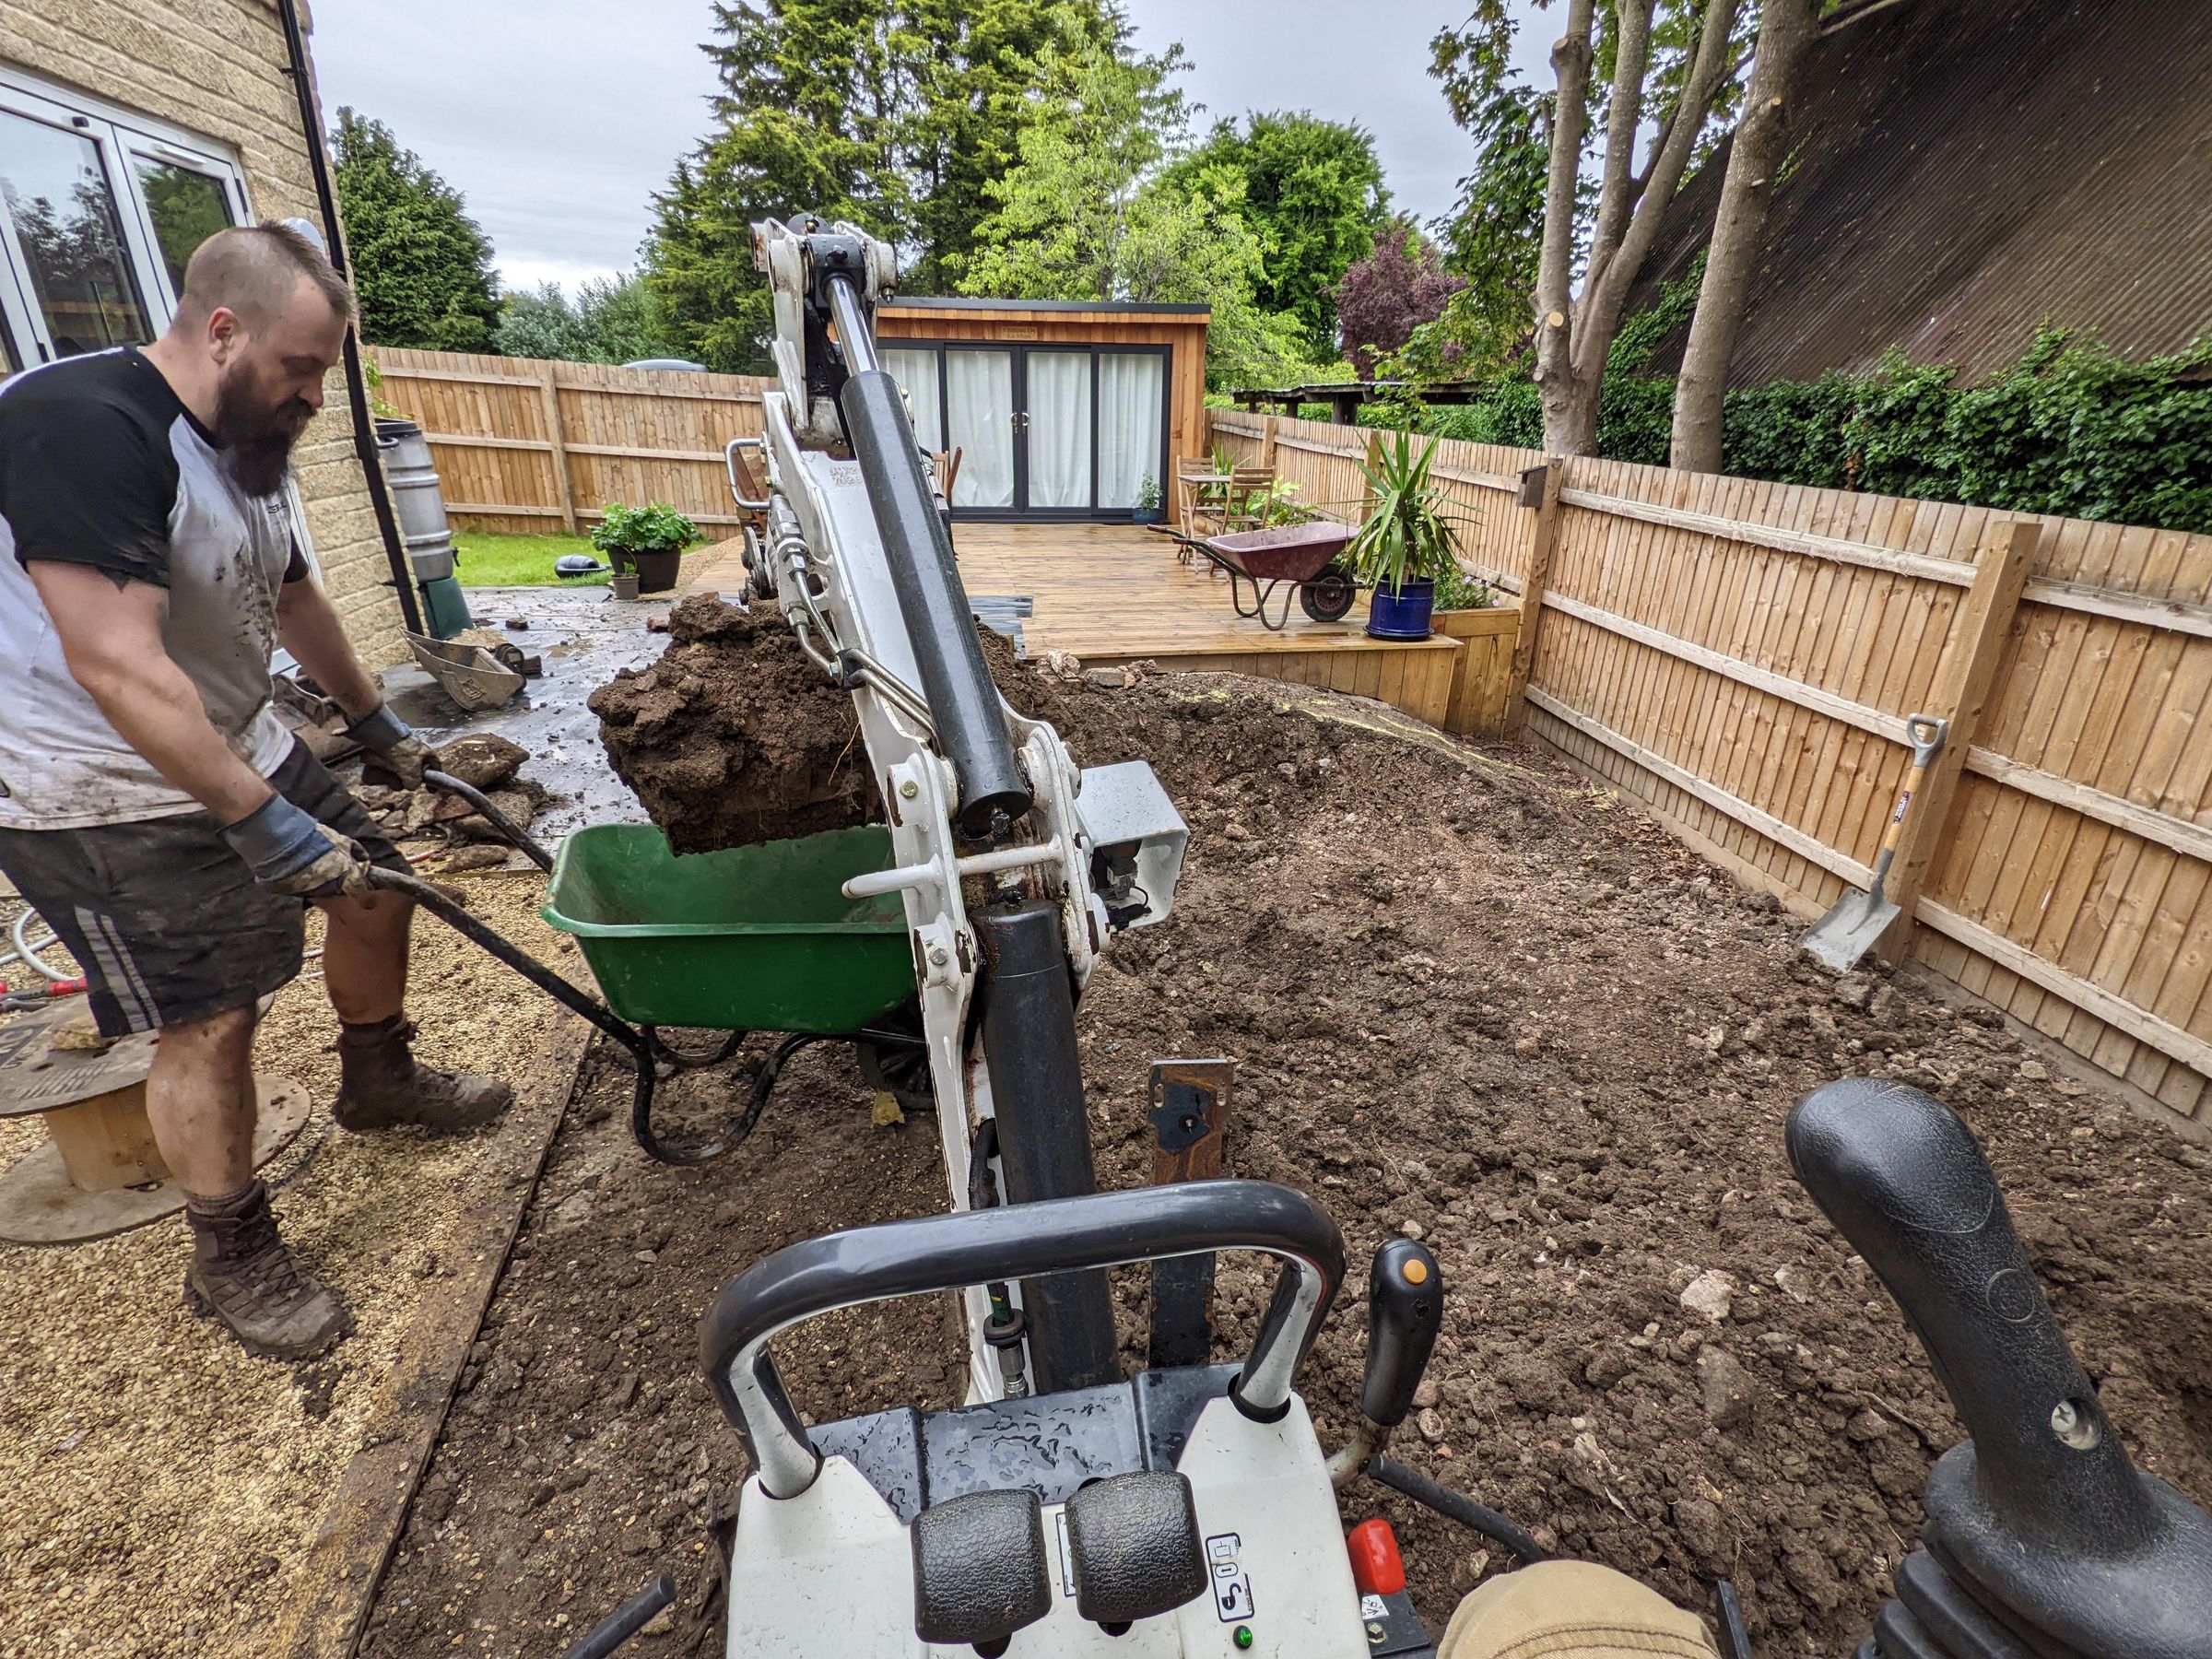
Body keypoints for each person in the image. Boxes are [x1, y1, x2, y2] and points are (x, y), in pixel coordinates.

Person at [0, 222, 511, 1360]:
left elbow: (293, 602)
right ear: (221, 331)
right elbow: (116, 663)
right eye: (301, 369)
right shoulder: (81, 429)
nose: (315, 397)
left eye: (325, 372)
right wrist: (258, 819)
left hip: (233, 730)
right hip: (99, 785)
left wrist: (379, 727)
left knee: (377, 891)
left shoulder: (241, 442)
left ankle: (378, 1080)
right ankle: (230, 1255)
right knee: (212, 1017)